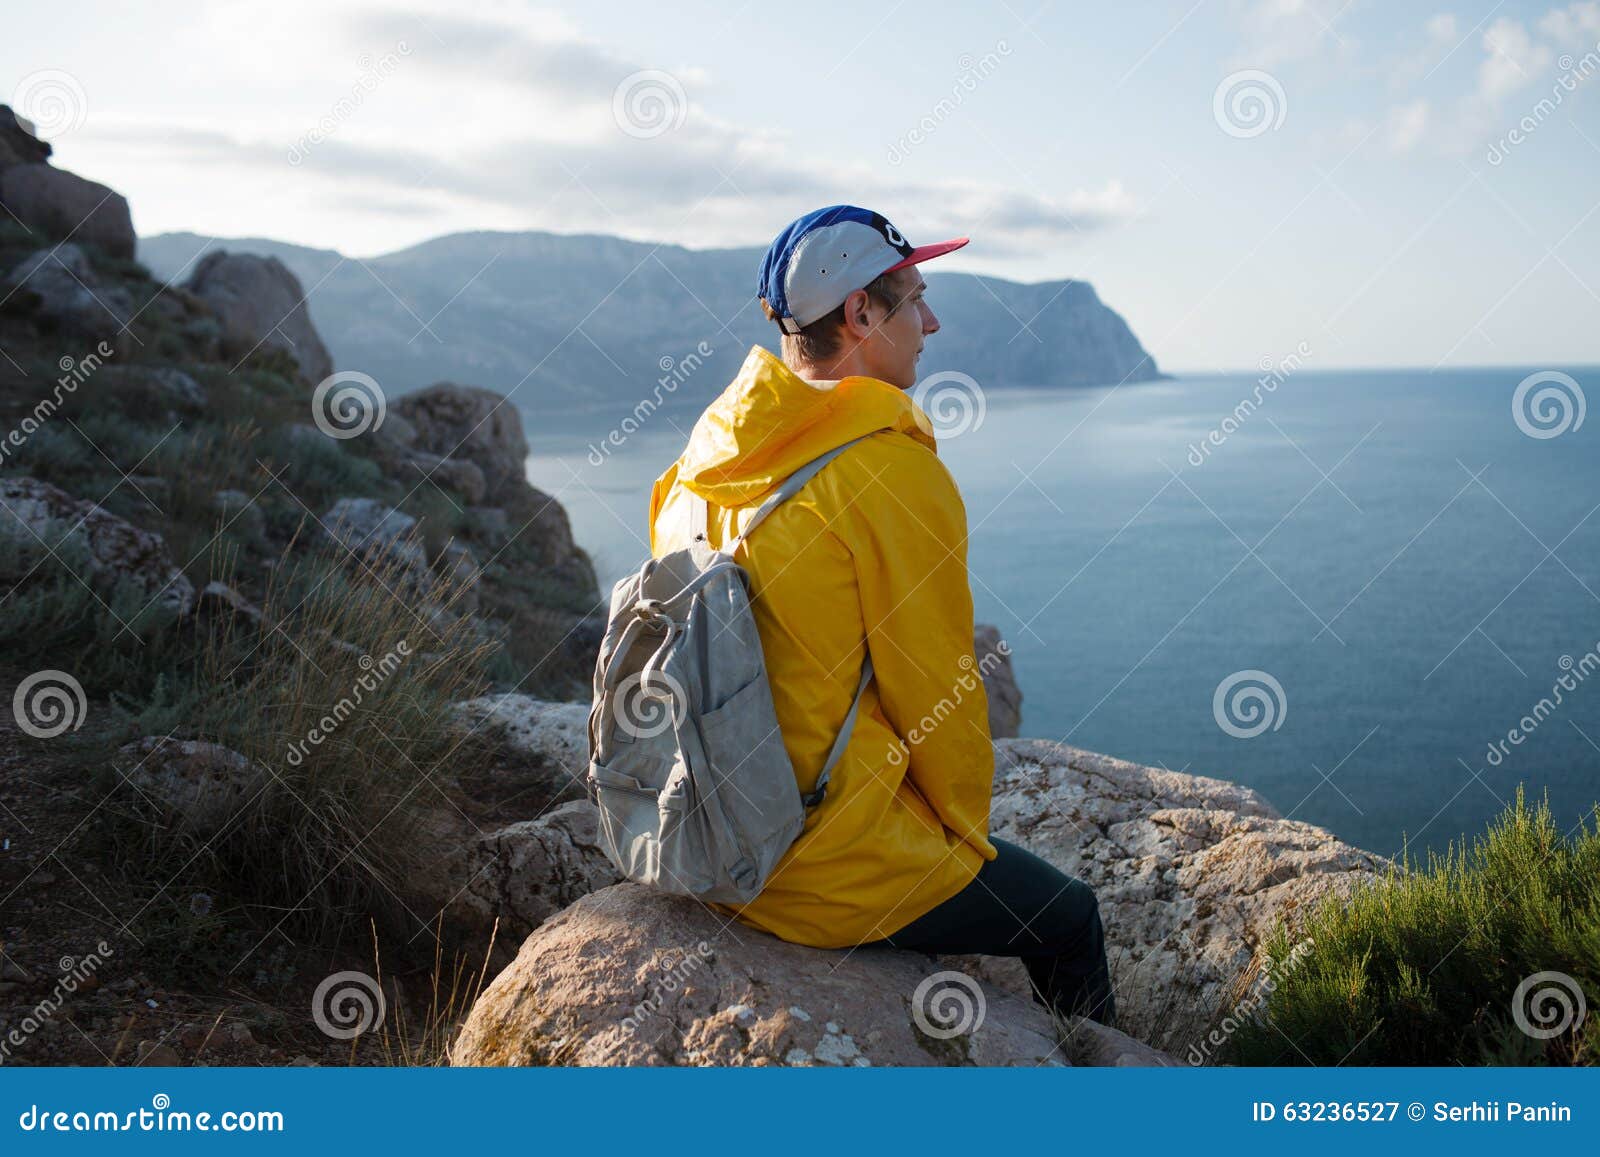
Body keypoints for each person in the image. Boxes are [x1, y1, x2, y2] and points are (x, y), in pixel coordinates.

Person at [647, 205, 1116, 1027]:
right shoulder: (887, 473)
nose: (932, 322)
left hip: (705, 835)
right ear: (861, 313)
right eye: (914, 300)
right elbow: (933, 689)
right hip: (816, 867)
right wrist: (960, 846)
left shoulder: (700, 460)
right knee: (1068, 917)